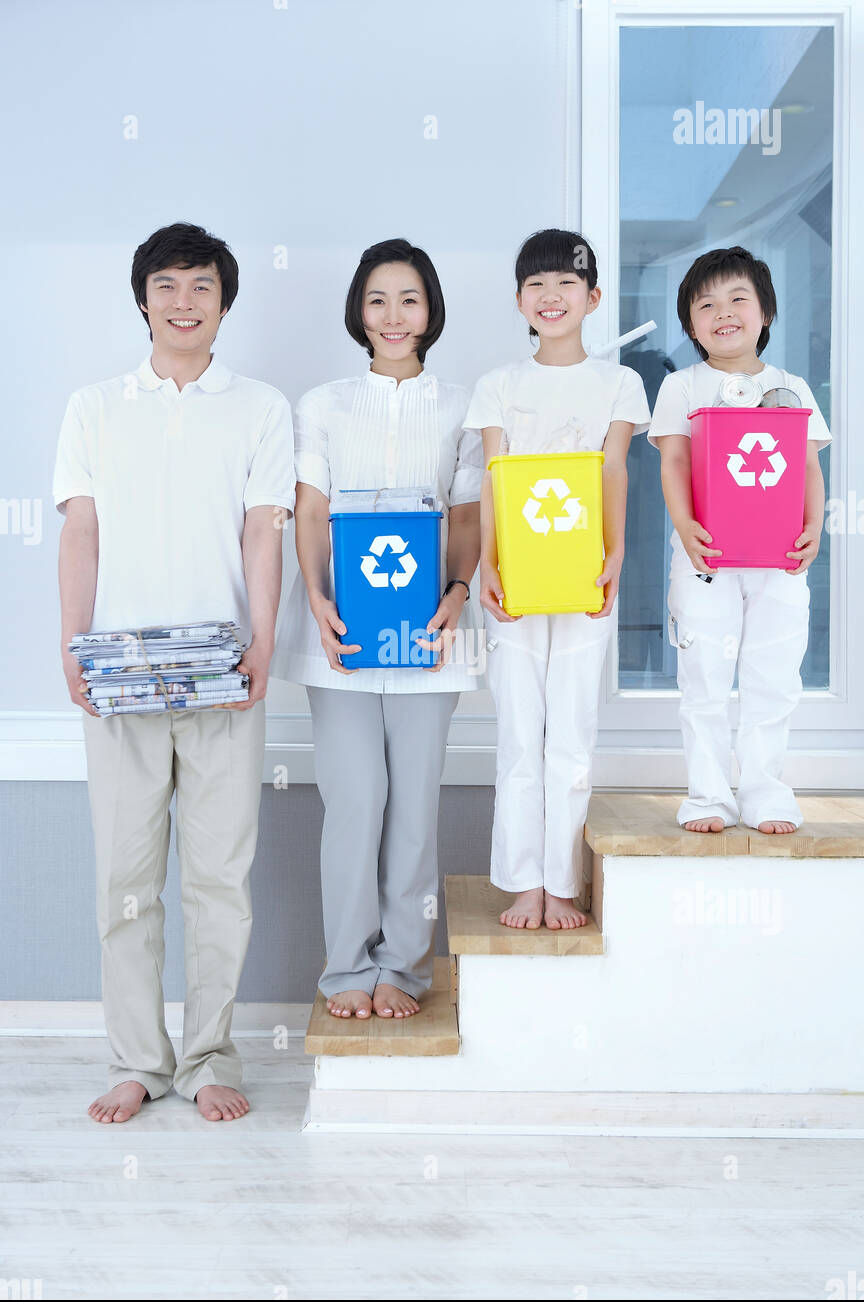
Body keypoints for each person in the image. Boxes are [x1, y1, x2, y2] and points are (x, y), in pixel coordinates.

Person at [54, 222, 295, 1122]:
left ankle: (209, 1059)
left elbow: (262, 531)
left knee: (219, 879)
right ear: (143, 298)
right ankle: (137, 1060)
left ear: (225, 302)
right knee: (125, 876)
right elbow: (82, 530)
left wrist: (261, 639)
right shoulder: (95, 407)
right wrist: (72, 643)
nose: (183, 301)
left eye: (201, 286)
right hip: (117, 671)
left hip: (223, 670)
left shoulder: (261, 408)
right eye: (167, 284)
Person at [273, 238, 482, 1020]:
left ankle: (404, 967)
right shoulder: (322, 404)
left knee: (414, 805)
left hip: (430, 630)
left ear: (431, 310)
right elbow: (313, 510)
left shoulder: (463, 405)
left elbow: (465, 516)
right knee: (356, 801)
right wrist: (318, 597)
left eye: (410, 299)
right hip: (344, 634)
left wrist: (458, 590)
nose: (395, 317)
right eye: (378, 301)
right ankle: (345, 970)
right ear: (358, 313)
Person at [465, 228, 650, 931]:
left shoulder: (619, 383)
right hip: (513, 574)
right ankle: (523, 882)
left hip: (581, 576)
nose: (552, 295)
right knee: (519, 730)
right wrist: (488, 561)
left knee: (571, 729)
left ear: (593, 297)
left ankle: (562, 882)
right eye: (537, 285)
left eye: (567, 283)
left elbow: (612, 471)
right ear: (519, 300)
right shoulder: (499, 387)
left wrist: (616, 552)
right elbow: (492, 478)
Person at [649, 245, 830, 834]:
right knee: (703, 674)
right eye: (706, 303)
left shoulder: (791, 386)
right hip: (706, 556)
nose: (722, 311)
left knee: (772, 674)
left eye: (737, 298)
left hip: (779, 560)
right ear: (690, 323)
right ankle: (707, 795)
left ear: (766, 312)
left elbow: (806, 466)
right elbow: (673, 463)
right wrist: (685, 528)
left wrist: (813, 528)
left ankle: (765, 791)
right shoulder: (681, 386)